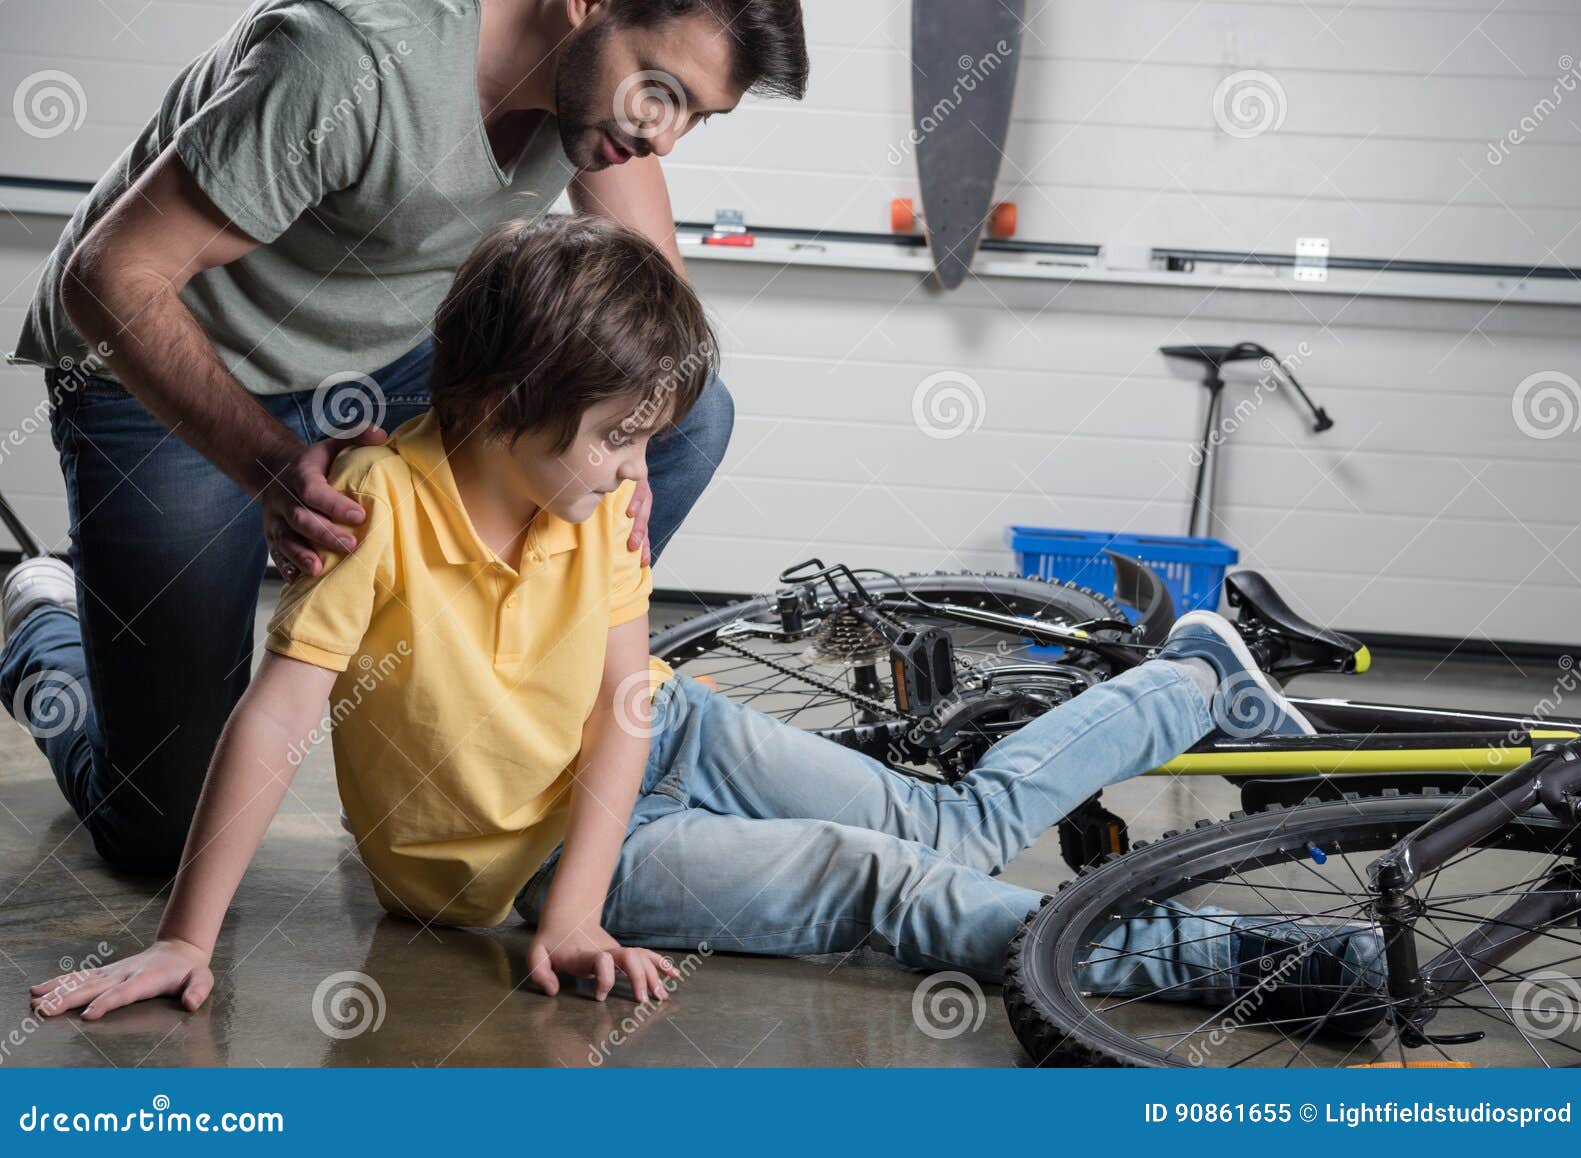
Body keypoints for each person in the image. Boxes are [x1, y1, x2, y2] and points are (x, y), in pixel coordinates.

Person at [25, 218, 1386, 1031]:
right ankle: (1262, 966)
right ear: (505, 404)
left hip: (648, 743)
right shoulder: (382, 505)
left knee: (942, 822)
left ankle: (1188, 677)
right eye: (615, 438)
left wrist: (577, 904)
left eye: (641, 442)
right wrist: (193, 940)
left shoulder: (594, 513)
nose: (635, 471)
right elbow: (275, 721)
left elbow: (631, 702)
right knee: (896, 890)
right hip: (528, 855)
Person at [0, 0, 809, 876]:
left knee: (690, 421)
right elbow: (110, 276)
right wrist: (274, 469)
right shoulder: (350, 58)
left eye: (698, 115)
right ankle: (43, 615)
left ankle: (453, 730)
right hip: (162, 365)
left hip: (377, 365)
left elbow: (661, 338)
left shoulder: (603, 108)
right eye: (664, 92)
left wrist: (640, 445)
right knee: (159, 835)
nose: (667, 137)